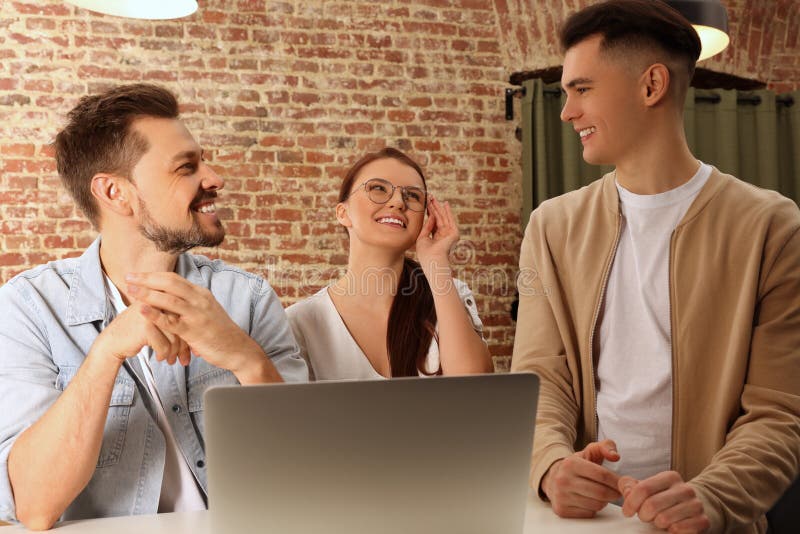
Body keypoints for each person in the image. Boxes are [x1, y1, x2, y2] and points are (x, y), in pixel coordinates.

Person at [511, 1, 800, 532]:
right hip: (585, 523)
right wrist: (550, 466)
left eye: (582, 89)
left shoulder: (772, 228)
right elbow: (539, 378)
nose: (566, 112)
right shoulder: (551, 227)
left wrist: (711, 497)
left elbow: (779, 413)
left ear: (651, 86)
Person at [0, 83, 308, 529]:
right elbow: (34, 505)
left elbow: (305, 475)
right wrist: (106, 354)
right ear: (114, 193)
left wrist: (245, 358)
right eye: (186, 167)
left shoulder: (248, 299)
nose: (214, 178)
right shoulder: (30, 307)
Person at [286, 147, 492, 379]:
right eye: (378, 189)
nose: (398, 202)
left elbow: (475, 388)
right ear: (343, 213)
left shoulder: (447, 294)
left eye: (412, 196)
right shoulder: (300, 323)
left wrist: (436, 262)